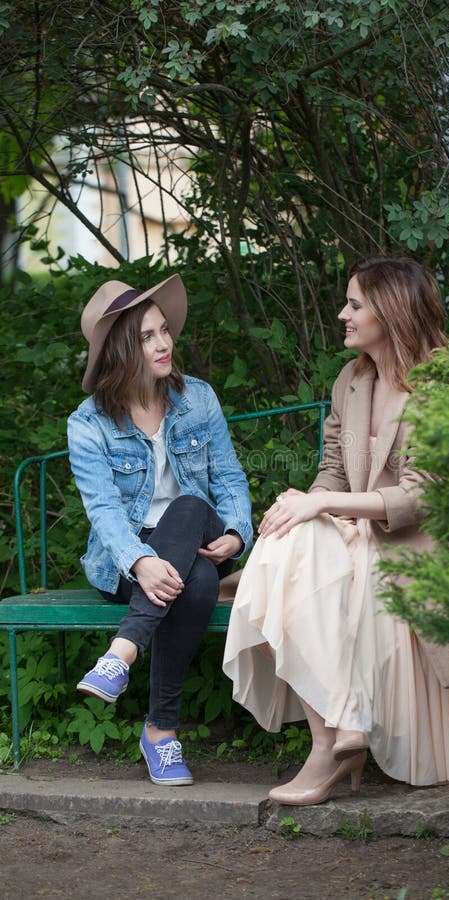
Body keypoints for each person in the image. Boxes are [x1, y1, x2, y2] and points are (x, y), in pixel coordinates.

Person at [223, 256, 449, 805]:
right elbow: (332, 472)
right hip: (361, 535)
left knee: (301, 552)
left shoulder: (442, 383)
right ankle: (334, 737)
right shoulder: (352, 379)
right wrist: (308, 503)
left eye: (354, 304)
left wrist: (321, 508)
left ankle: (335, 740)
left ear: (390, 313)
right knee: (286, 541)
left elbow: (424, 495)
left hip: (420, 546)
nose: (342, 314)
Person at [68, 274, 252, 786]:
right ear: (123, 348)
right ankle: (161, 734)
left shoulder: (199, 399)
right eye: (148, 336)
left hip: (204, 535)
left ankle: (120, 653)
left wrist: (238, 534)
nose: (165, 343)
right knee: (193, 585)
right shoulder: (88, 424)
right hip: (129, 558)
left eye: (164, 331)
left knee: (191, 503)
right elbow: (103, 510)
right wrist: (142, 561)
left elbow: (230, 478)